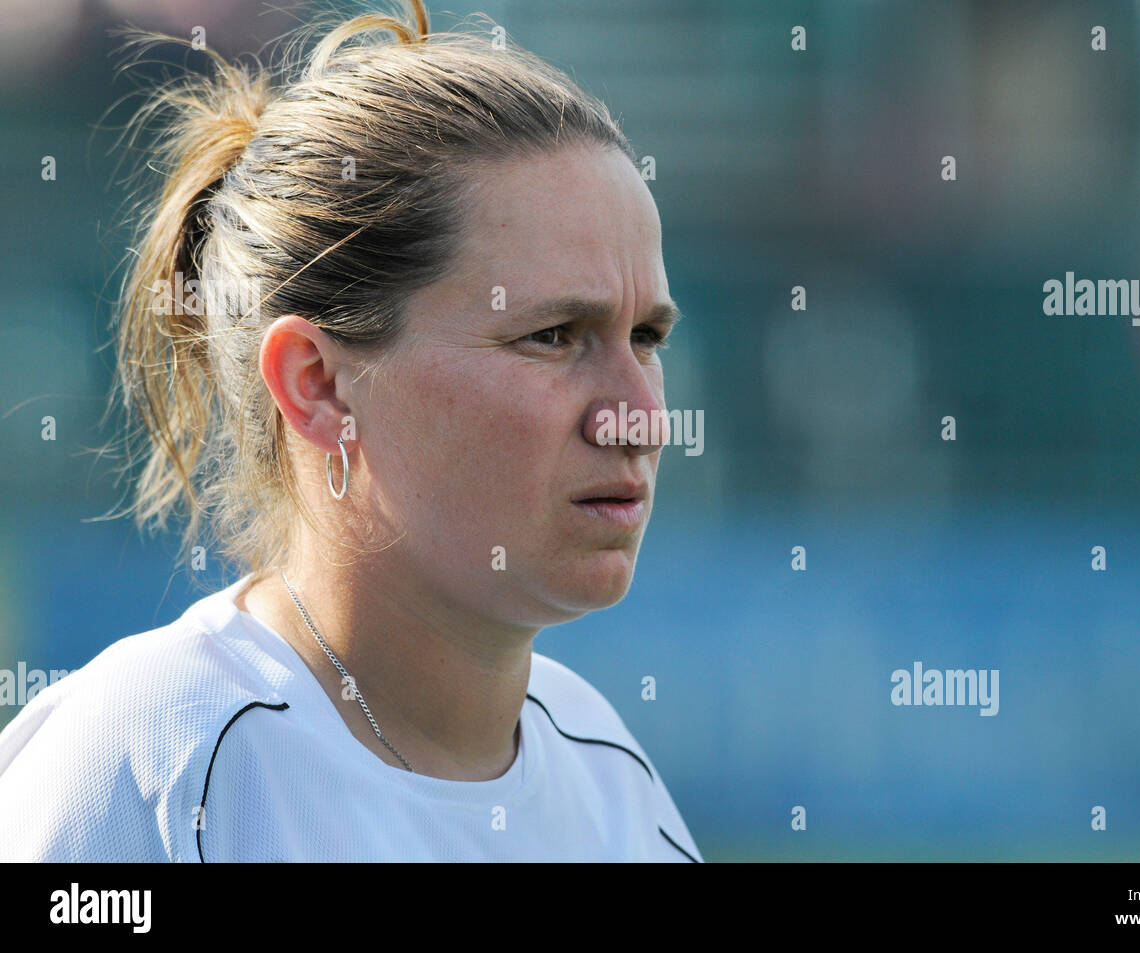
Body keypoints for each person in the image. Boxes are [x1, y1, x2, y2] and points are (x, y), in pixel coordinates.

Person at [0, 1, 701, 862]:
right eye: (552, 336)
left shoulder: (610, 778)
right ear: (319, 384)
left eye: (648, 338)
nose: (635, 412)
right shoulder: (146, 769)